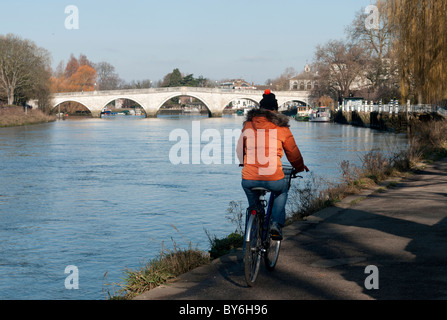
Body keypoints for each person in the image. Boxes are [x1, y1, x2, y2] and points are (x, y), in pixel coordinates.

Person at [237, 89, 308, 240]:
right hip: (273, 177)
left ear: (259, 109)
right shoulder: (282, 127)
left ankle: (252, 235)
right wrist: (300, 167)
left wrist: (243, 162)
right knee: (281, 191)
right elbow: (292, 152)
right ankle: (275, 223)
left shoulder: (248, 125)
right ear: (275, 110)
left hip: (249, 178)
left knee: (253, 207)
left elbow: (240, 148)